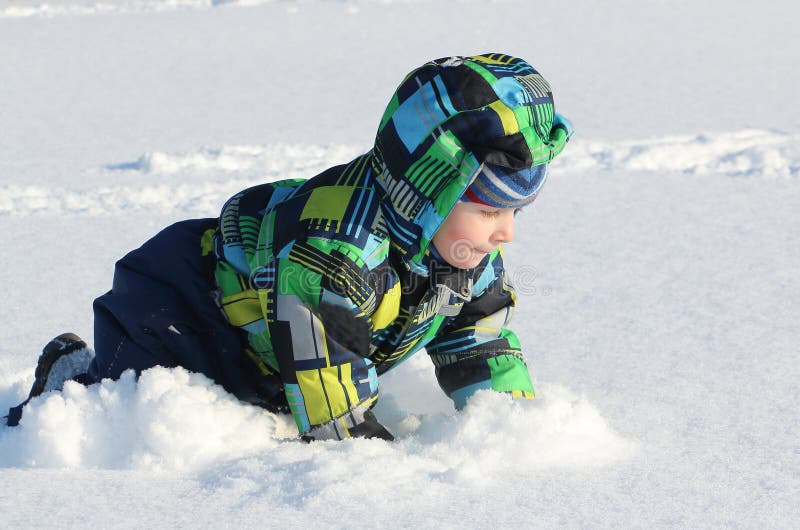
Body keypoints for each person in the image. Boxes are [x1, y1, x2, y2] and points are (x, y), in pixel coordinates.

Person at [5, 53, 573, 440]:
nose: (506, 233)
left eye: (514, 213)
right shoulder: (336, 255)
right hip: (184, 309)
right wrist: (372, 463)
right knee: (129, 406)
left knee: (269, 395)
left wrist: (509, 428)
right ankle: (66, 376)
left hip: (274, 349)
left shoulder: (463, 253)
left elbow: (478, 342)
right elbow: (332, 401)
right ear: (427, 189)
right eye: (490, 212)